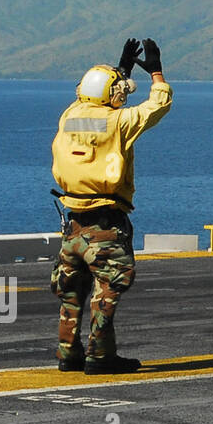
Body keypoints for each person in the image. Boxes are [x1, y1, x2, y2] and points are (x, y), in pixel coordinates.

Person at [49, 38, 172, 374]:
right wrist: (156, 74)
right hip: (105, 224)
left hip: (72, 223)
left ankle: (67, 354)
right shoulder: (119, 123)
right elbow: (156, 108)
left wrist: (122, 70)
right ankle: (100, 358)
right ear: (114, 95)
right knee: (107, 291)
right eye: (120, 91)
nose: (123, 95)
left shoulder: (69, 115)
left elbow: (94, 97)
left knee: (71, 295)